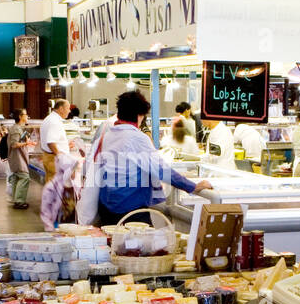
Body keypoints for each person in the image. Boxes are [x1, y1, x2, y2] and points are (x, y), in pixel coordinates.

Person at [90, 91, 212, 227]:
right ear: (140, 115)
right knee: (142, 245)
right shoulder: (137, 138)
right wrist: (193, 187)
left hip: (106, 207)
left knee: (113, 243)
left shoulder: (108, 135)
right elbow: (161, 170)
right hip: (130, 208)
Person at [5, 108, 34, 209]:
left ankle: (17, 200)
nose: (27, 116)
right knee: (24, 177)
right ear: (20, 117)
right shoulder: (16, 129)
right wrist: (26, 143)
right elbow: (14, 144)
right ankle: (20, 201)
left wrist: (26, 142)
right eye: (25, 114)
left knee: (17, 178)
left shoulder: (17, 128)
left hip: (17, 157)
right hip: (17, 158)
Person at [39, 99, 70, 185]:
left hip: (48, 156)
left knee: (50, 184)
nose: (69, 111)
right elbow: (51, 142)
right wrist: (60, 155)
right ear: (61, 109)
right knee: (56, 186)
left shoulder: (50, 118)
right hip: (54, 159)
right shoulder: (55, 122)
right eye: (68, 108)